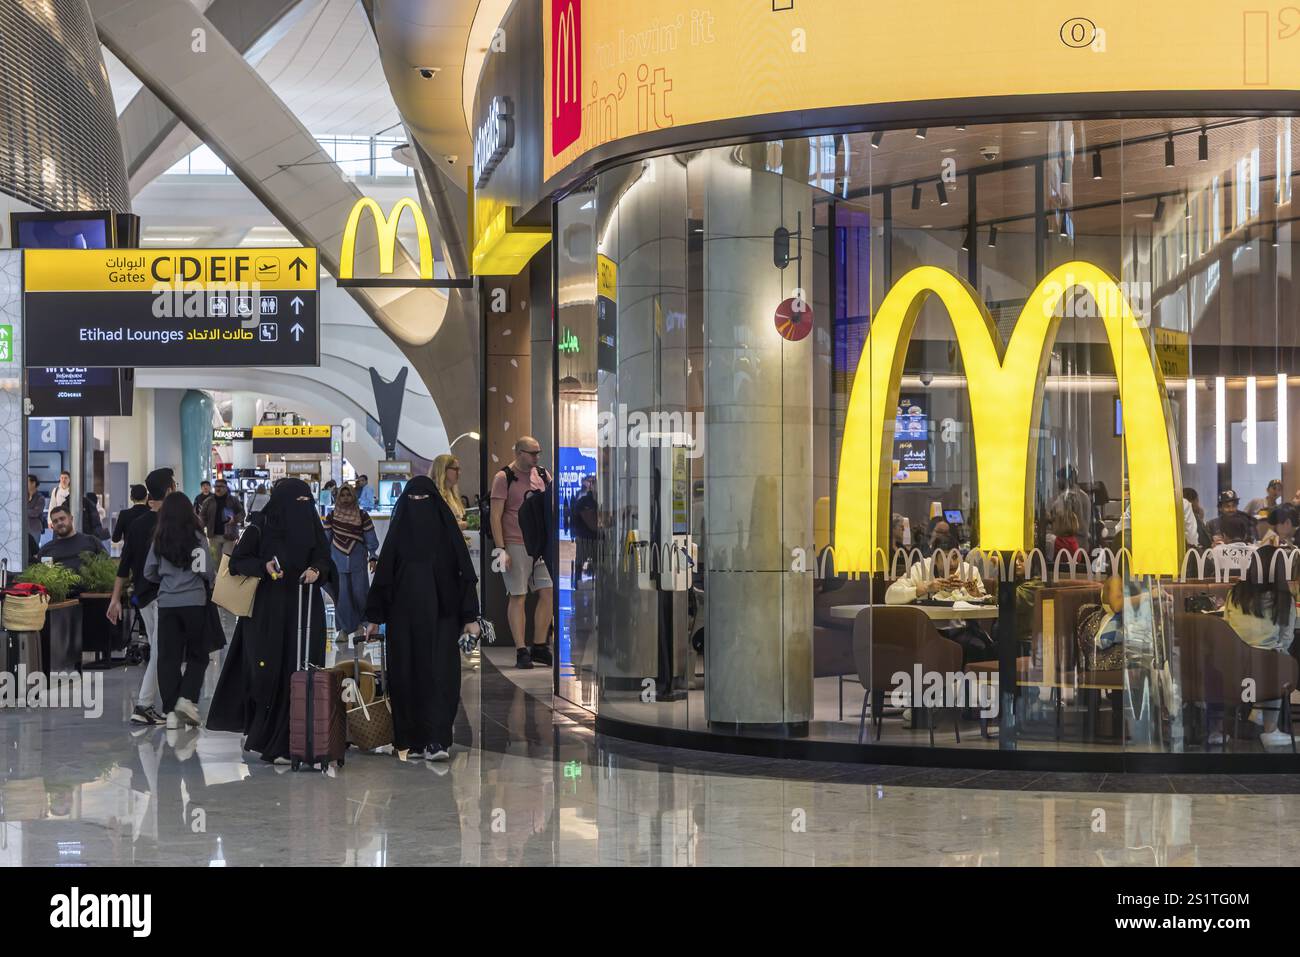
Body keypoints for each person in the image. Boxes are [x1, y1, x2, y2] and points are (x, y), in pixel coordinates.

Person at [206, 479, 334, 764]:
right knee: (270, 672)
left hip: (305, 610)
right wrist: (263, 566)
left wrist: (317, 570)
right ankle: (270, 738)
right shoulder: (261, 526)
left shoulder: (313, 526)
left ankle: (299, 738)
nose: (303, 507)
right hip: (268, 612)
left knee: (302, 671)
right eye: (297, 502)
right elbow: (237, 562)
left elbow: (325, 560)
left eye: (307, 502)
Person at [364, 475, 480, 761]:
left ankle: (437, 739)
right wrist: (374, 617)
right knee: (405, 675)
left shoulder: (446, 535)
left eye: (423, 499)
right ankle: (413, 741)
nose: (418, 504)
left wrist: (470, 616)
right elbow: (384, 578)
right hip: (403, 620)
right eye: (413, 500)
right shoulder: (398, 536)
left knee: (440, 675)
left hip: (442, 616)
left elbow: (464, 574)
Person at [143, 492, 216, 730]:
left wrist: (167, 581)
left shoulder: (159, 539)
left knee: (168, 658)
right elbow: (206, 571)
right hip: (195, 602)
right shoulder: (197, 538)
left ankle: (171, 712)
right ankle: (186, 698)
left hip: (167, 604)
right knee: (198, 654)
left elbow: (148, 572)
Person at [108, 468, 174, 725]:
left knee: (161, 648)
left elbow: (124, 564)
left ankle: (158, 704)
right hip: (164, 595)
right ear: (169, 490)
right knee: (160, 649)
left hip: (143, 595)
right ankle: (144, 705)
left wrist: (115, 598)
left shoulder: (136, 524)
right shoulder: (170, 524)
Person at [489, 436, 554, 669]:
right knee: (518, 595)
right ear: (519, 452)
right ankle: (521, 649)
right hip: (515, 542)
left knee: (548, 593)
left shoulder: (543, 475)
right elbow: (495, 515)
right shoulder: (503, 477)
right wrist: (501, 549)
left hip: (541, 544)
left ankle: (539, 645)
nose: (537, 457)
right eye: (532, 453)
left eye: (538, 452)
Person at [1224, 545, 1297, 747]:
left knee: (1272, 657)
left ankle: (1256, 710)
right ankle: (1269, 728)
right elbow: (1287, 637)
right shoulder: (1284, 599)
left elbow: (1226, 627)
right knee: (1280, 658)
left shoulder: (1235, 593)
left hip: (1234, 667)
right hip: (1266, 669)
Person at [323, 483, 379, 639]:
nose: (345, 498)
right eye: (342, 495)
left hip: (357, 561)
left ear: (354, 496)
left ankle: (365, 623)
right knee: (342, 597)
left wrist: (373, 556)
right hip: (337, 562)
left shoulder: (362, 516)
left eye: (348, 495)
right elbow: (325, 540)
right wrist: (322, 560)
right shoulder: (331, 517)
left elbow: (370, 538)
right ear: (338, 497)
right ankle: (344, 629)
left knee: (361, 594)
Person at [37, 504, 104, 573]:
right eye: (55, 521)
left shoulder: (91, 541)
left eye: (62, 519)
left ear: (71, 519)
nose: (59, 523)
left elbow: (106, 565)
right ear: (52, 525)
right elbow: (46, 575)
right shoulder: (46, 551)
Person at [200, 478, 245, 564]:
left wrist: (235, 519)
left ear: (226, 488)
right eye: (216, 486)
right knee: (215, 561)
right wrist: (200, 528)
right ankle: (217, 573)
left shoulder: (233, 500)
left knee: (226, 562)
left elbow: (242, 513)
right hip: (213, 536)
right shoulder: (208, 501)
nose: (218, 488)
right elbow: (202, 516)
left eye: (220, 486)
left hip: (229, 536)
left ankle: (225, 573)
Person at [1050, 465, 1092, 553]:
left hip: (1070, 548)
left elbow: (1060, 521)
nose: (1058, 481)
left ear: (1067, 480)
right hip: (1083, 546)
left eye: (1060, 479)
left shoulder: (1068, 497)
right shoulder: (1084, 495)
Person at [430, 454, 468, 530]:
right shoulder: (433, 495)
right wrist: (457, 526)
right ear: (443, 470)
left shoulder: (451, 493)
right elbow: (433, 526)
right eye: (455, 469)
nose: (459, 473)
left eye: (459, 469)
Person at [571, 474, 598, 578]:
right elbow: (575, 514)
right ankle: (578, 581)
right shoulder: (581, 497)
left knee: (592, 562)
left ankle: (581, 579)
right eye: (589, 481)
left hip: (590, 537)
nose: (590, 484)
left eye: (592, 482)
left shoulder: (597, 498)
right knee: (581, 561)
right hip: (585, 536)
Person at [25, 475, 45, 562]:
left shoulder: (40, 498)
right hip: (23, 528)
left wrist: (23, 511)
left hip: (34, 528)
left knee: (34, 550)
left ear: (33, 483)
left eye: (28, 481)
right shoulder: (23, 496)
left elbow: (36, 513)